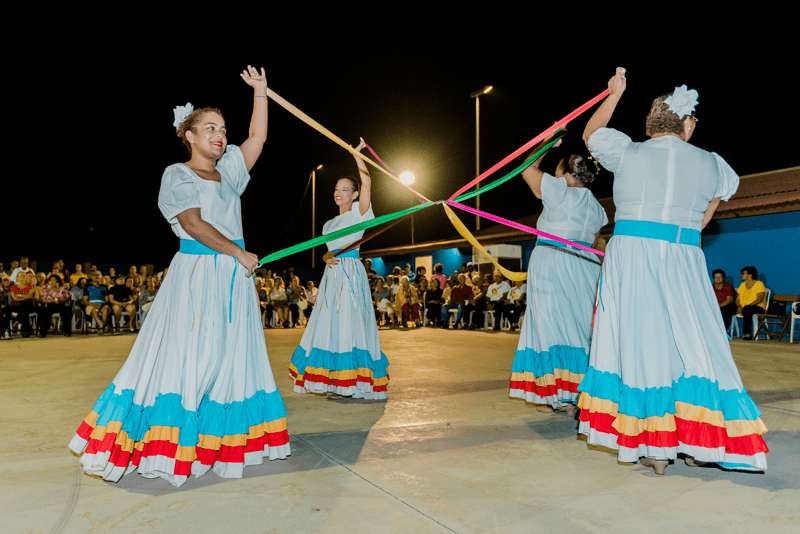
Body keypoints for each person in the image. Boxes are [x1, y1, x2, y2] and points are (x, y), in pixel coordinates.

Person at [68, 66, 290, 487]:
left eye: (223, 129)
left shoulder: (230, 172)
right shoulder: (178, 174)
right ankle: (166, 442)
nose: (220, 135)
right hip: (198, 276)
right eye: (210, 127)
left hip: (232, 277)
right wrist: (238, 251)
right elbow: (192, 223)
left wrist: (260, 93)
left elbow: (257, 138)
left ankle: (215, 440)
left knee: (228, 358)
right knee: (191, 356)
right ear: (188, 134)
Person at [576, 68, 768, 474]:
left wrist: (613, 95)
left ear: (652, 124)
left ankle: (654, 446)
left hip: (631, 255)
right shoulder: (715, 164)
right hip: (682, 256)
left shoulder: (627, 152)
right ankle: (699, 438)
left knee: (640, 341)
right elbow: (704, 219)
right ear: (687, 123)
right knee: (692, 338)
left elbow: (591, 133)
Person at [509, 127, 607, 415]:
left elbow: (526, 168)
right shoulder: (597, 207)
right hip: (585, 265)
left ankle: (563, 395)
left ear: (566, 174)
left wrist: (545, 144)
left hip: (552, 261)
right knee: (579, 328)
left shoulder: (560, 190)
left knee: (551, 327)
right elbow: (593, 242)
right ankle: (578, 394)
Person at [289, 138, 389, 399]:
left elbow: (367, 182)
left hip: (351, 275)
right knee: (333, 327)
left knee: (350, 325)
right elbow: (330, 251)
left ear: (354, 195)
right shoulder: (329, 224)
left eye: (345, 189)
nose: (339, 192)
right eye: (337, 188)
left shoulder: (360, 212)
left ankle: (354, 385)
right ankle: (338, 383)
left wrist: (356, 155)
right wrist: (323, 264)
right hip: (332, 276)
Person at [736, 266, 767, 340]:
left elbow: (759, 299)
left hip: (758, 307)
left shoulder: (759, 284)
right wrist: (739, 307)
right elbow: (737, 299)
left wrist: (744, 308)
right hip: (744, 307)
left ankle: (748, 334)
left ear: (750, 275)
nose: (741, 275)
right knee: (728, 308)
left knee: (747, 309)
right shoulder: (742, 285)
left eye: (743, 273)